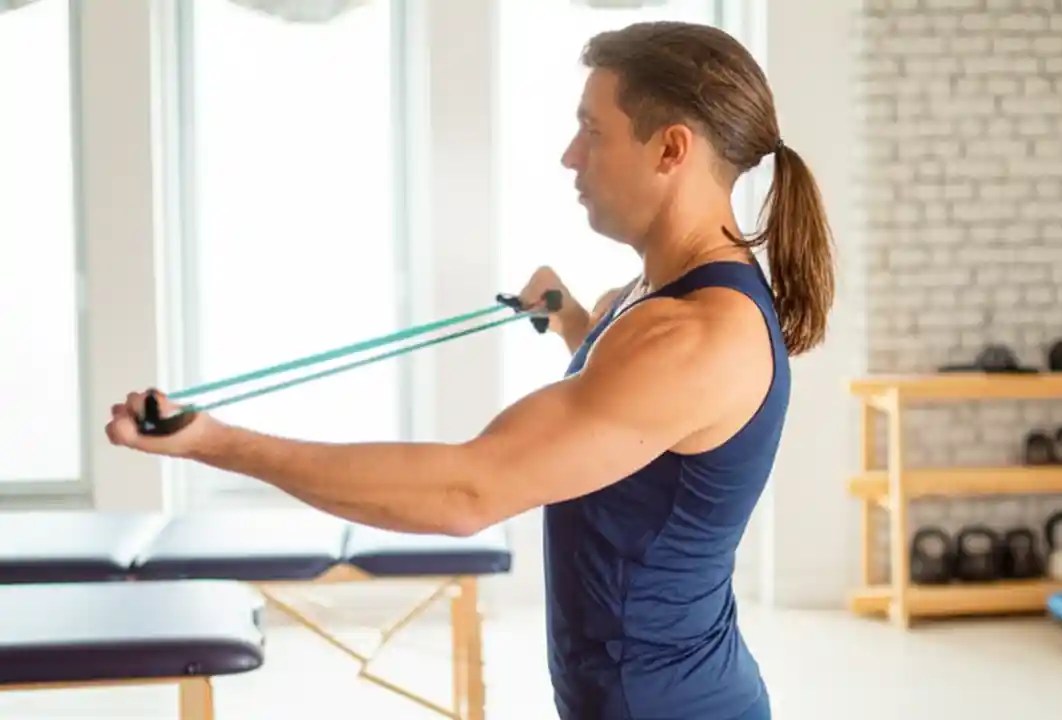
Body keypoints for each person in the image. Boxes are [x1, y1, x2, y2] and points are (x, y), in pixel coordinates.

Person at [106, 20, 836, 720]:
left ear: (671, 149)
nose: (569, 156)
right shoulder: (651, 300)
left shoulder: (694, 336)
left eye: (592, 128)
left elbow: (467, 491)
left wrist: (216, 444)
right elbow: (634, 419)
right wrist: (572, 319)